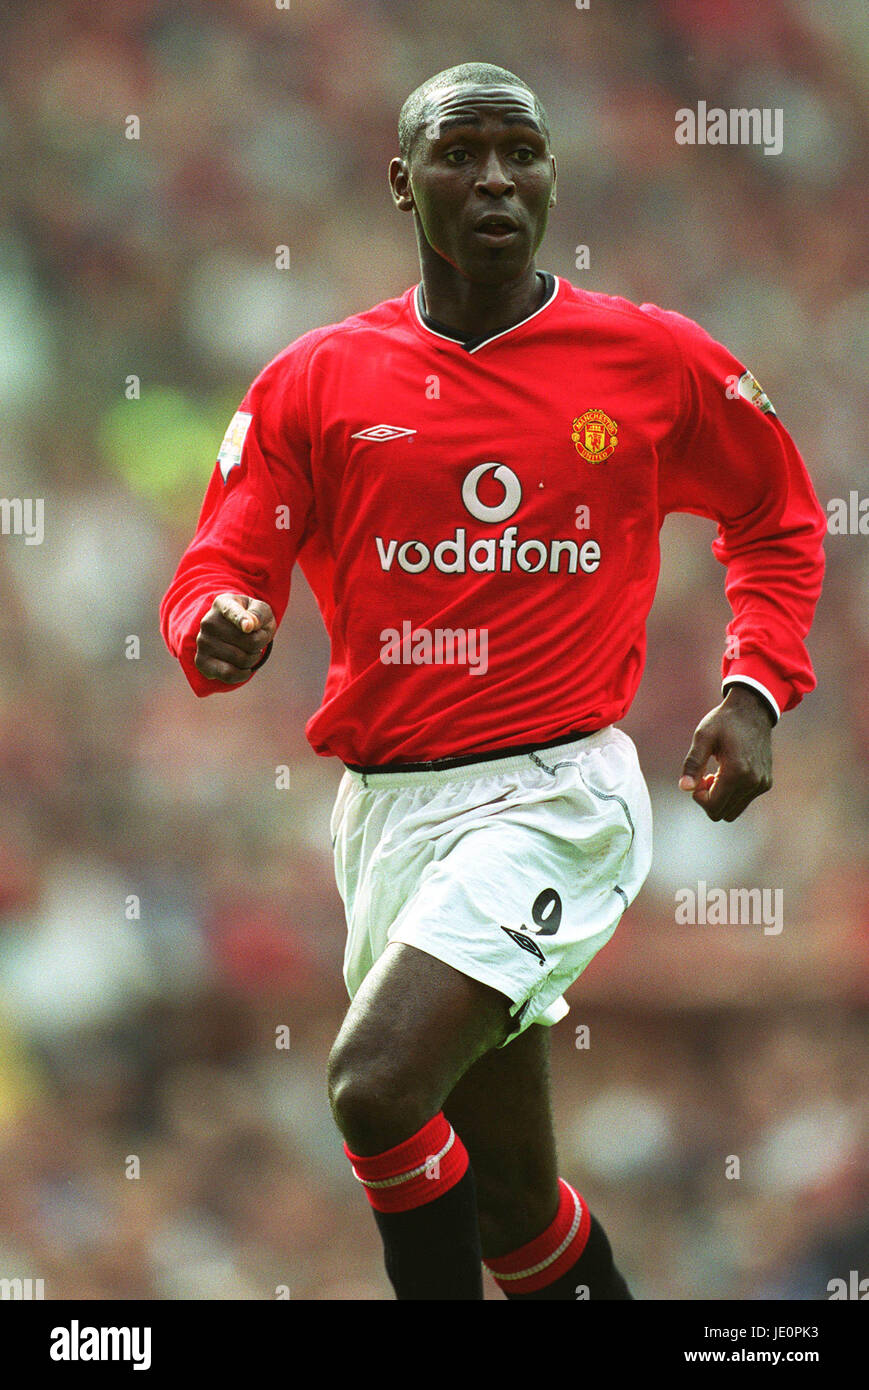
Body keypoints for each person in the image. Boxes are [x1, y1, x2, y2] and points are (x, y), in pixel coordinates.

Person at [160, 63, 826, 1301]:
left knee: (373, 1085)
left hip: (555, 795)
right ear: (401, 181)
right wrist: (220, 620)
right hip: (387, 815)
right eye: (461, 153)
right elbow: (221, 559)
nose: (495, 179)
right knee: (515, 1210)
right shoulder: (315, 380)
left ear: (551, 173)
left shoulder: (648, 360)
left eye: (520, 151)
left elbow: (776, 516)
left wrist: (752, 688)